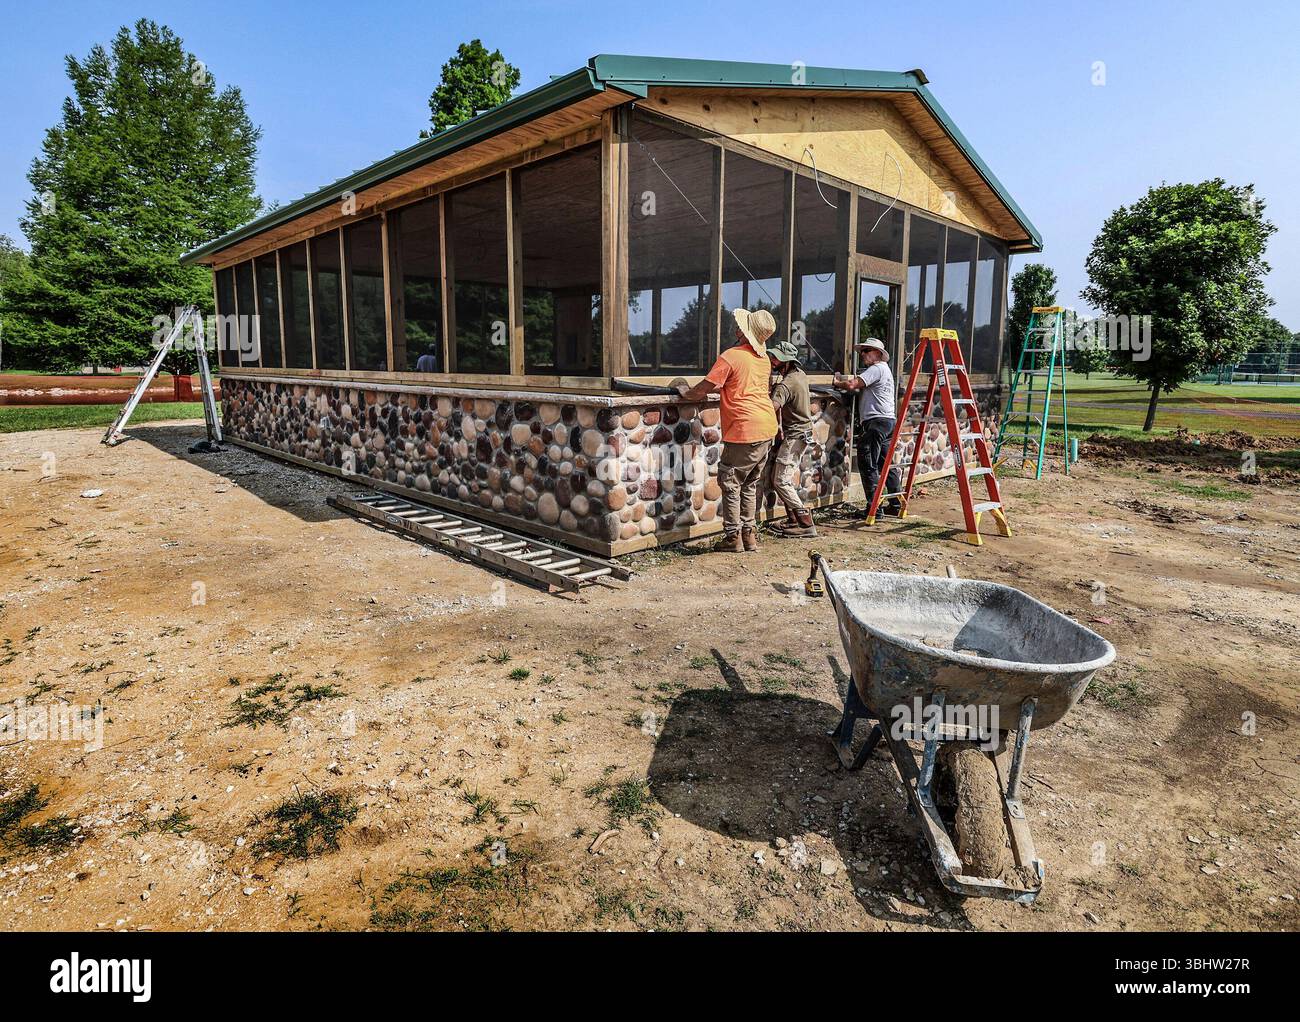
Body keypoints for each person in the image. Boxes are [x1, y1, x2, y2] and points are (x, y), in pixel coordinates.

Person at [677, 308, 779, 552]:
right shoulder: (763, 359)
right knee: (750, 483)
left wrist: (686, 393)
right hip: (767, 427)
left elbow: (705, 387)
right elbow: (741, 386)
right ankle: (749, 535)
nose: (736, 329)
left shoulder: (731, 356)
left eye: (741, 327)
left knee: (730, 481)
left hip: (745, 429)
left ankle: (733, 537)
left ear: (745, 333)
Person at [834, 337, 902, 517]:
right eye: (861, 351)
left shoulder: (876, 369)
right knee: (885, 464)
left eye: (866, 351)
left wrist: (836, 381)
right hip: (887, 421)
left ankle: (874, 509)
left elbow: (851, 384)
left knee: (867, 463)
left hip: (876, 422)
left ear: (878, 354)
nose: (862, 354)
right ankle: (896, 505)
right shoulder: (884, 370)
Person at [766, 340, 816, 537]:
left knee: (780, 480)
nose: (772, 360)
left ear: (785, 361)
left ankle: (805, 524)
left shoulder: (786, 384)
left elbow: (771, 408)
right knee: (780, 478)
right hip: (801, 433)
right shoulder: (800, 376)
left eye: (776, 357)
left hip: (795, 435)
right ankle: (793, 519)